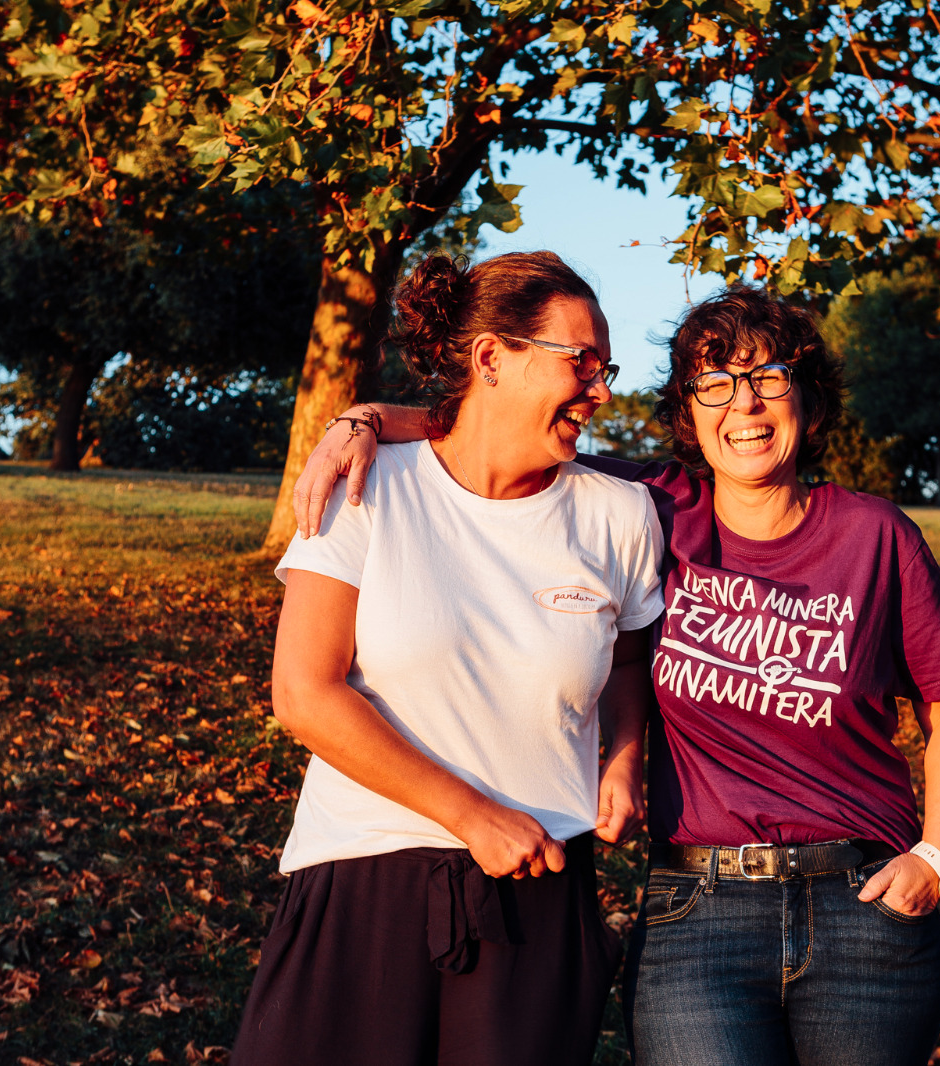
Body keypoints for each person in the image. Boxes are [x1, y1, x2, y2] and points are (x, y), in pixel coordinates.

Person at [296, 285, 940, 1066]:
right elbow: (488, 434)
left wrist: (937, 856)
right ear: (689, 415)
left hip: (863, 903)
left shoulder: (877, 537)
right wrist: (359, 421)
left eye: (767, 378)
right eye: (715, 385)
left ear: (809, 399)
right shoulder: (653, 507)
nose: (745, 405)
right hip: (703, 909)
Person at [230, 251, 665, 1066]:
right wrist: (470, 815)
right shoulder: (364, 483)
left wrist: (625, 758)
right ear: (493, 358)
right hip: (362, 877)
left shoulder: (622, 515)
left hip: (539, 889)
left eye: (607, 369)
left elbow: (632, 661)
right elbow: (304, 693)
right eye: (582, 363)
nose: (602, 391)